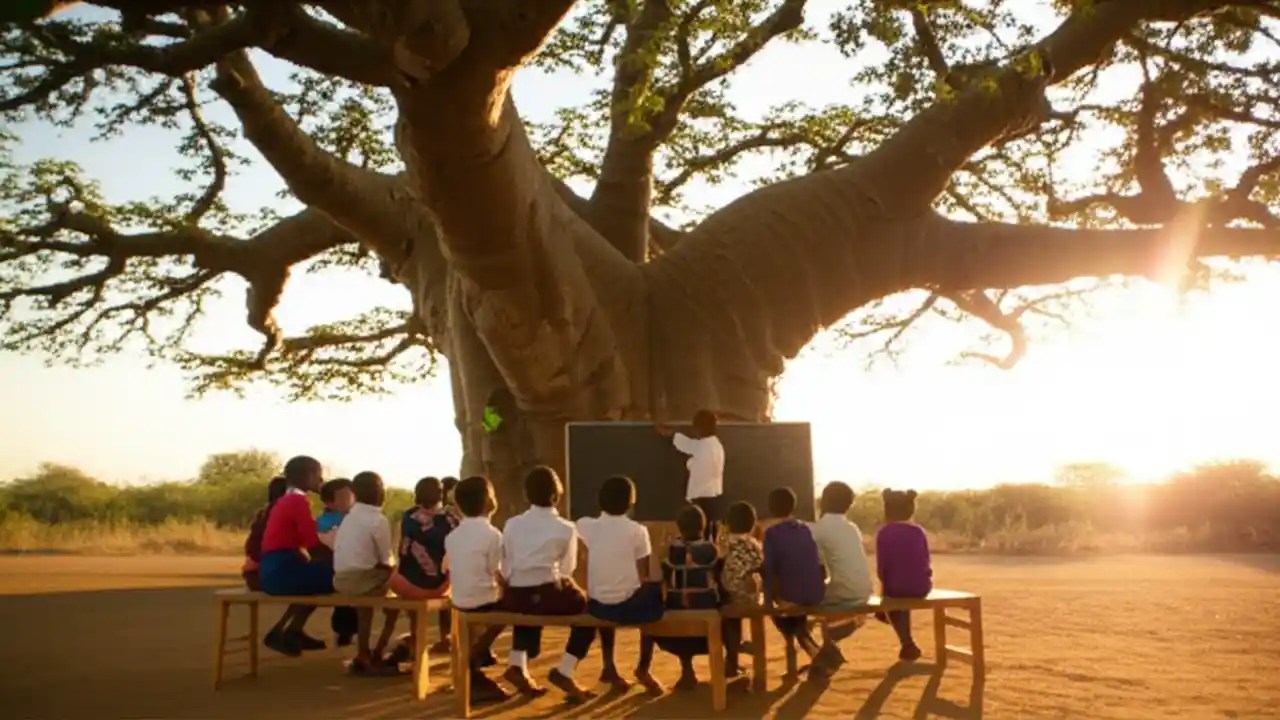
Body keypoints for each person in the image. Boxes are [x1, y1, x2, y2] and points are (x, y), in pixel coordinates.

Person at [550, 475, 663, 700]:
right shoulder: (638, 531)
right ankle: (643, 668)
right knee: (654, 601)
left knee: (599, 602)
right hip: (627, 606)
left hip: (598, 603)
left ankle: (591, 667)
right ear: (631, 503)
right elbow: (643, 575)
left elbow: (574, 534)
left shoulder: (585, 525)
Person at [500, 466, 586, 697]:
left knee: (528, 599)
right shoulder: (567, 528)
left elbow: (506, 565)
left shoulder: (512, 524)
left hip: (516, 596)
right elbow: (568, 570)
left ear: (527, 495)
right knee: (588, 610)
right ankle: (565, 669)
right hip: (548, 593)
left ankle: (517, 663)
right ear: (557, 494)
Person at [259, 456, 348, 656]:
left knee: (319, 577)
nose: (321, 480)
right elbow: (313, 545)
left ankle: (290, 629)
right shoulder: (298, 502)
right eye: (318, 475)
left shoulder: (287, 500)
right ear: (308, 476)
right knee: (340, 577)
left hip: (275, 569)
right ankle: (291, 630)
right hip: (281, 572)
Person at [635, 504, 721, 693]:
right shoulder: (713, 551)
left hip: (671, 635)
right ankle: (730, 664)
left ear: (679, 527)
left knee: (653, 610)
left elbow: (656, 581)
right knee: (717, 605)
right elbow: (721, 583)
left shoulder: (668, 552)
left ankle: (645, 666)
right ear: (703, 526)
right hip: (707, 633)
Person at [442, 475, 512, 703]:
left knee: (473, 613)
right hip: (484, 601)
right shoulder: (493, 535)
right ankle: (473, 659)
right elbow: (496, 570)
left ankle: (475, 661)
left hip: (460, 599)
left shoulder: (452, 537)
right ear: (489, 503)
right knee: (509, 610)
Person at [333, 471, 401, 675]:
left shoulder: (349, 518)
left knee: (366, 605)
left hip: (341, 579)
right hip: (362, 579)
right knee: (397, 600)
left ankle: (363, 652)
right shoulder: (377, 520)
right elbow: (386, 557)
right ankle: (377, 651)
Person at [387, 476, 456, 657]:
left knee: (400, 577)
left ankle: (416, 633)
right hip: (439, 586)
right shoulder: (449, 520)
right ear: (442, 495)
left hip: (410, 585)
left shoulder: (408, 516)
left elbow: (404, 550)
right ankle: (446, 636)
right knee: (450, 579)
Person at [762, 487, 826, 677]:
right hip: (815, 593)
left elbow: (769, 570)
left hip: (792, 596)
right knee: (792, 603)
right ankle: (806, 644)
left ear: (771, 509)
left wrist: (767, 602)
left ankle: (805, 647)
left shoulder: (772, 533)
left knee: (780, 611)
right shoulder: (805, 529)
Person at [810, 481, 874, 668]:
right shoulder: (852, 528)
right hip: (864, 590)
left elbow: (814, 562)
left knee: (804, 602)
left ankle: (825, 649)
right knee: (825, 594)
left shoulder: (819, 529)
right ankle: (830, 647)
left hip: (845, 592)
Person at [875, 488, 933, 662]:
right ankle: (907, 645)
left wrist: (884, 590)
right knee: (900, 593)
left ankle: (907, 643)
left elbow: (882, 568)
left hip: (896, 587)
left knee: (893, 596)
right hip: (922, 586)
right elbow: (925, 561)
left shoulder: (884, 533)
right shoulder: (919, 531)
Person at [656, 410, 725, 542]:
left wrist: (670, 433)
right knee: (711, 526)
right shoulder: (717, 445)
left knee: (699, 527)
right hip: (714, 494)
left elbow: (684, 444)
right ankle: (711, 548)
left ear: (700, 428)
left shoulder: (702, 446)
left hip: (701, 495)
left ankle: (699, 549)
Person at [720, 500, 764, 677]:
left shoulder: (723, 544)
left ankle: (732, 656)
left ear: (728, 524)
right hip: (751, 597)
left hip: (728, 597)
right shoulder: (754, 545)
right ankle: (740, 649)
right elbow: (761, 567)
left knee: (729, 617)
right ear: (753, 524)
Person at [316, 478, 355, 544]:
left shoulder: (356, 516)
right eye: (343, 497)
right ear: (329, 504)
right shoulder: (325, 524)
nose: (353, 500)